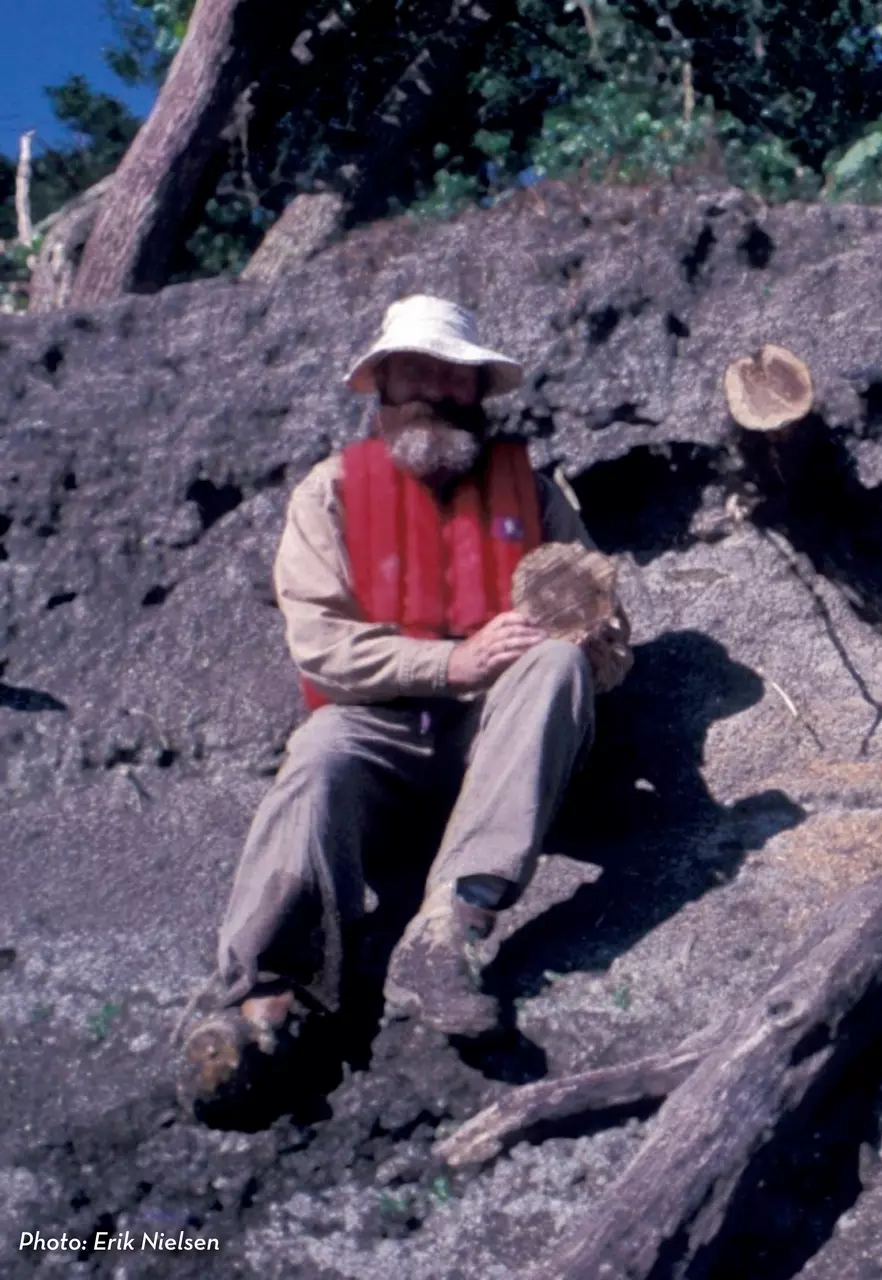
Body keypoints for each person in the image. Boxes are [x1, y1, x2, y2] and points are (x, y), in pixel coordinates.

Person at [179, 295, 631, 1109]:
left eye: (454, 377)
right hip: (377, 731)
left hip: (501, 739)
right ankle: (258, 998)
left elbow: (606, 622)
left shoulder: (532, 491)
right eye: (415, 372)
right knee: (318, 754)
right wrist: (452, 660)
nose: (435, 390)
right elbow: (318, 643)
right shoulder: (328, 494)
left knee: (558, 664)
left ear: (479, 391)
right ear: (379, 386)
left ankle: (446, 935)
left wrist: (596, 647)